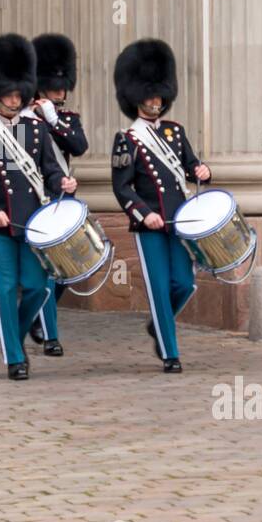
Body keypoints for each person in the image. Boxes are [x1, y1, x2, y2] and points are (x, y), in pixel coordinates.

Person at [0, 34, 74, 380]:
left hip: (34, 222)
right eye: (7, 93)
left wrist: (62, 183)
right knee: (6, 290)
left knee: (38, 287)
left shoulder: (36, 131)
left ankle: (16, 336)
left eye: (17, 92)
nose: (13, 98)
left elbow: (50, 170)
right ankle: (14, 357)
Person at [110, 39, 212, 373]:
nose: (156, 101)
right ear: (136, 97)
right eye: (150, 96)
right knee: (157, 286)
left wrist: (203, 171)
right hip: (149, 225)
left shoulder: (175, 132)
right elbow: (122, 188)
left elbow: (191, 165)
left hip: (179, 221)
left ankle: (158, 323)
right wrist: (144, 213)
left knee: (185, 283)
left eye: (159, 95)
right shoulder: (127, 139)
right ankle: (170, 354)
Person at [23, 33, 88, 356]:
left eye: (64, 86)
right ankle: (49, 335)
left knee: (69, 268)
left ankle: (35, 311)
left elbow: (79, 146)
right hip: (37, 199)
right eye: (54, 85)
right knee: (47, 269)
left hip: (64, 200)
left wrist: (53, 119)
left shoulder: (67, 119)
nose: (61, 91)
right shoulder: (23, 120)